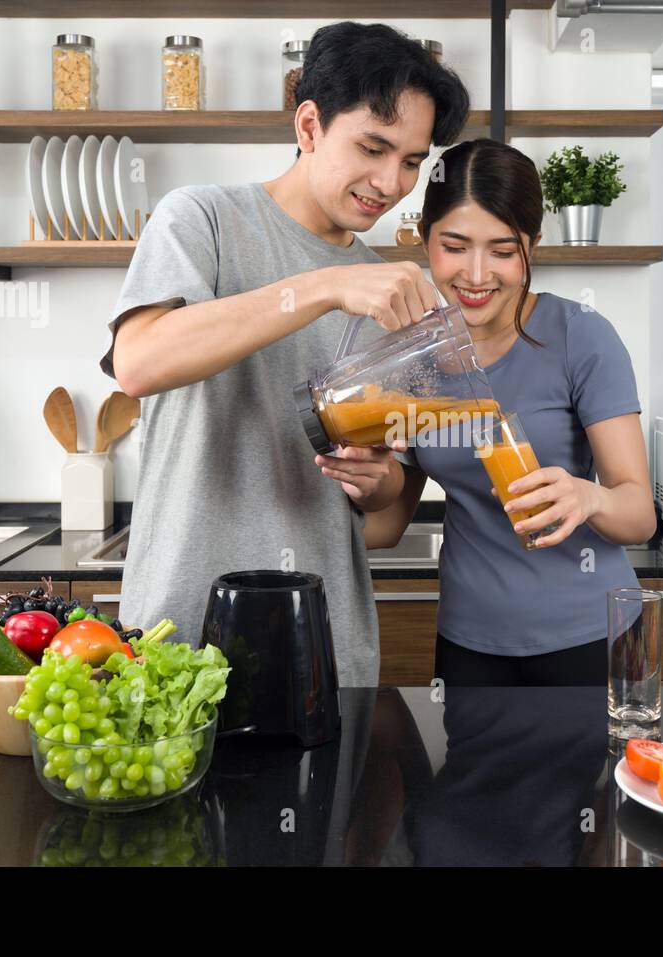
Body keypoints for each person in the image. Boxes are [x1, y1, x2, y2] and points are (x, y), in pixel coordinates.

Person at [101, 22, 471, 687]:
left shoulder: (393, 293)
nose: (391, 182)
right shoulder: (200, 220)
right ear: (308, 126)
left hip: (326, 653)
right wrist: (324, 285)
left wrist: (376, 477)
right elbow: (139, 361)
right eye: (373, 146)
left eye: (412, 160)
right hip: (177, 642)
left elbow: (387, 521)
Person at [358, 139, 657, 687]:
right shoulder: (412, 357)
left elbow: (639, 515)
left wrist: (588, 495)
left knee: (599, 776)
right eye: (455, 245)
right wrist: (355, 481)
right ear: (424, 241)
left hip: (590, 638)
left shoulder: (580, 335)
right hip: (469, 642)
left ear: (532, 246)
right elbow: (386, 527)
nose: (476, 274)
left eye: (502, 249)